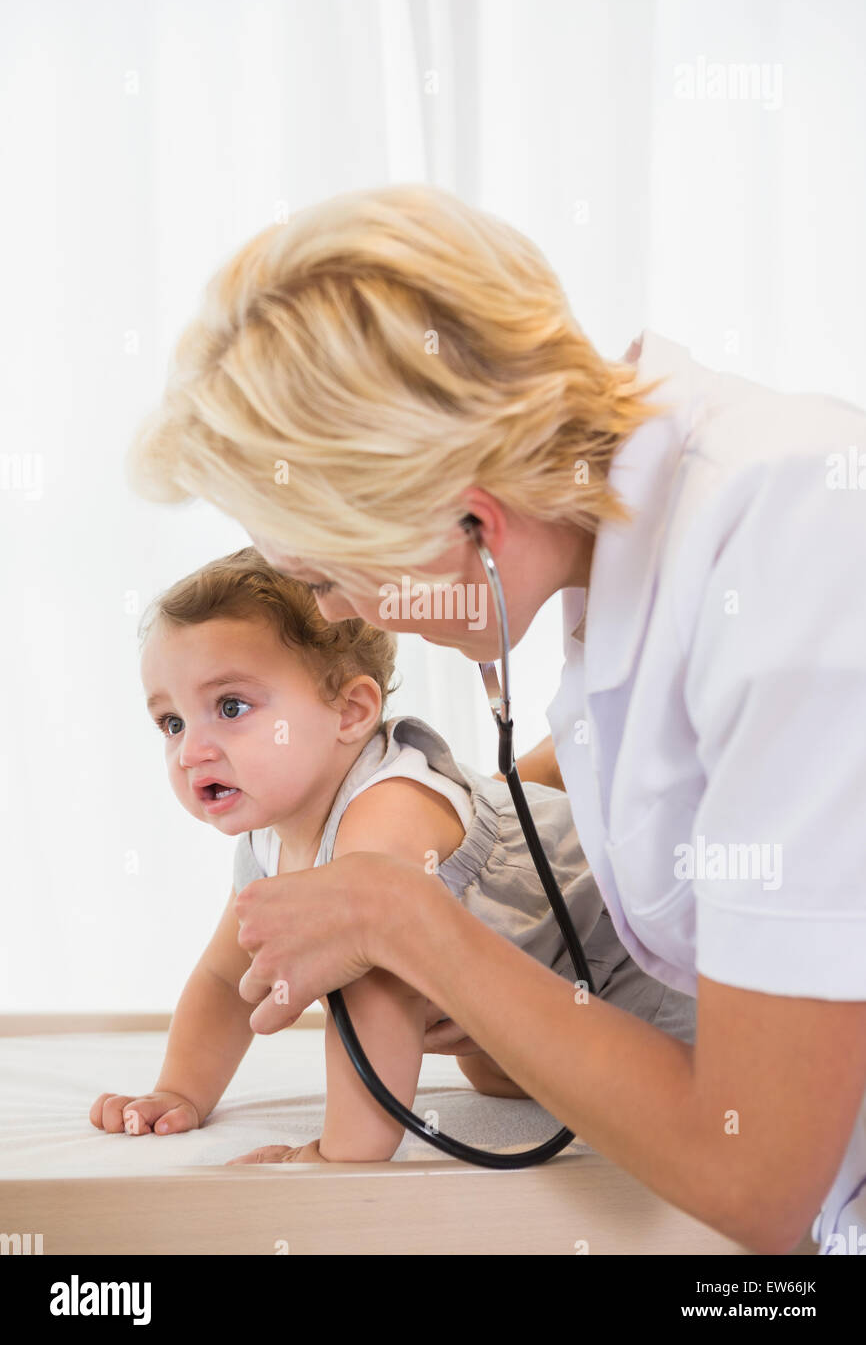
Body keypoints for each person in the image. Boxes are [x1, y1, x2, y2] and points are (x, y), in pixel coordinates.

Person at [125, 182, 866, 1255]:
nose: (339, 611)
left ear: (468, 521)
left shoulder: (792, 538)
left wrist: (418, 927)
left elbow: (757, 1179)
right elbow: (676, 763)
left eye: (331, 576)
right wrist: (445, 877)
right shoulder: (624, 563)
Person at [89, 548, 694, 1164]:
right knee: (488, 1071)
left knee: (641, 1091)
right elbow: (226, 979)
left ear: (351, 711)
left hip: (631, 973)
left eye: (231, 708)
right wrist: (179, 1091)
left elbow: (378, 994)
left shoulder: (387, 810)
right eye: (171, 723)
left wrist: (342, 1155)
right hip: (544, 1006)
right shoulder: (268, 834)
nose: (191, 752)